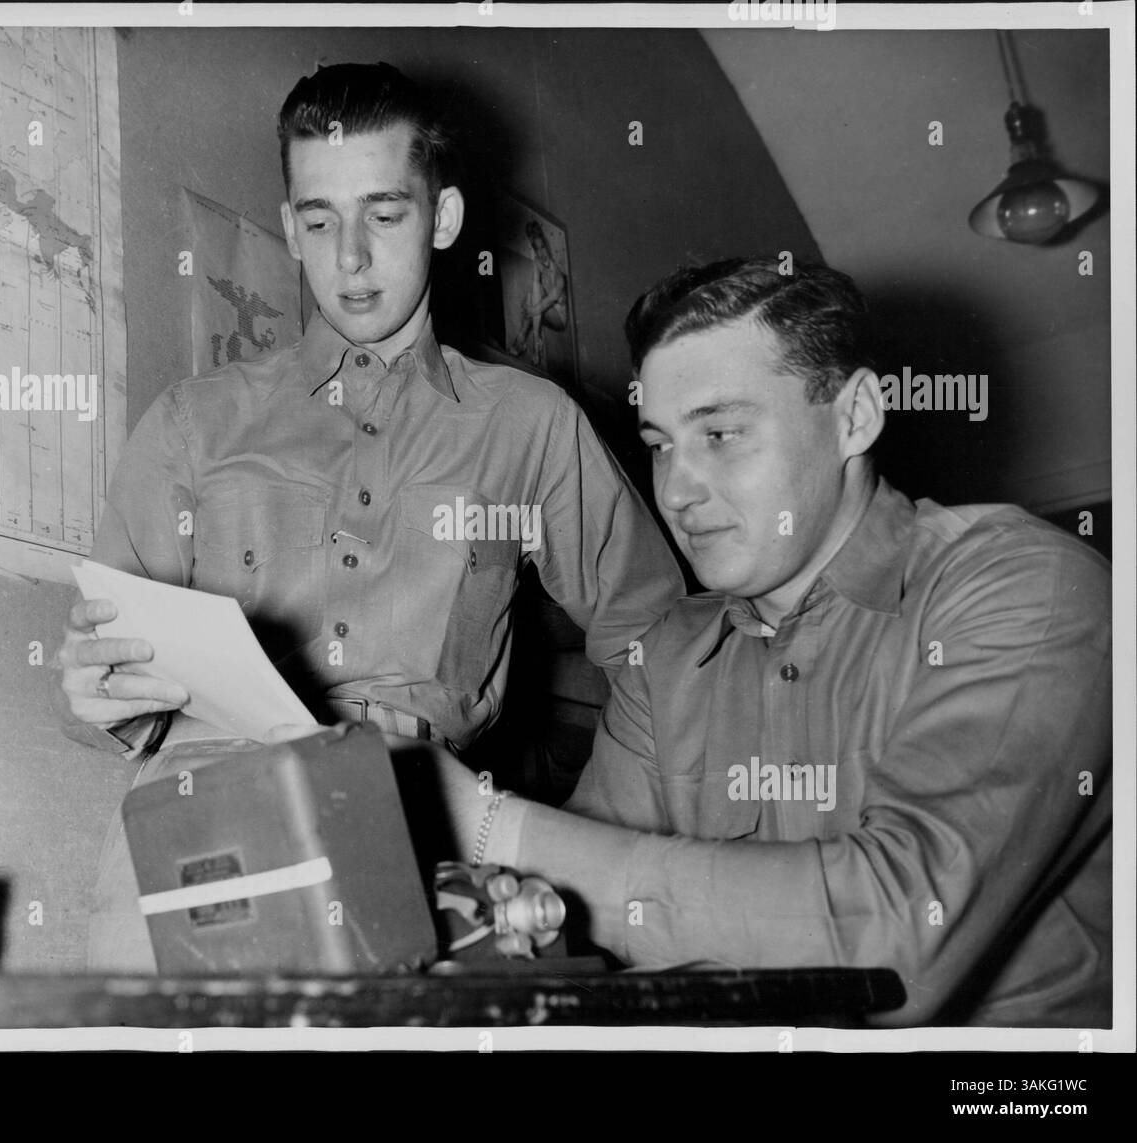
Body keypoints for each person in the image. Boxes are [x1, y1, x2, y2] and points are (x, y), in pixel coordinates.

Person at [53, 63, 683, 971]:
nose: (348, 257)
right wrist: (97, 694)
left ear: (444, 219)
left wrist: (589, 829)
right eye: (318, 221)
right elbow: (99, 689)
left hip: (427, 835)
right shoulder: (191, 422)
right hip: (198, 837)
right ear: (289, 227)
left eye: (385, 215)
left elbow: (660, 647)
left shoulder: (530, 424)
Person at [422, 256, 1112, 1027]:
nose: (678, 490)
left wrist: (492, 822)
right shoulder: (669, 659)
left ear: (855, 417)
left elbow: (898, 939)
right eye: (659, 444)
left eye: (720, 433)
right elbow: (576, 916)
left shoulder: (1030, 587)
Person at [508, 219, 569, 370]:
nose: (541, 253)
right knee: (531, 295)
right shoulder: (537, 262)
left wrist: (530, 310)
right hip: (544, 309)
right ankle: (529, 342)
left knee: (532, 303)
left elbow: (547, 302)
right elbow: (536, 288)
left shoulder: (559, 276)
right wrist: (536, 330)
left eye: (543, 247)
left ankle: (523, 342)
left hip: (559, 320)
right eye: (537, 249)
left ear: (547, 247)